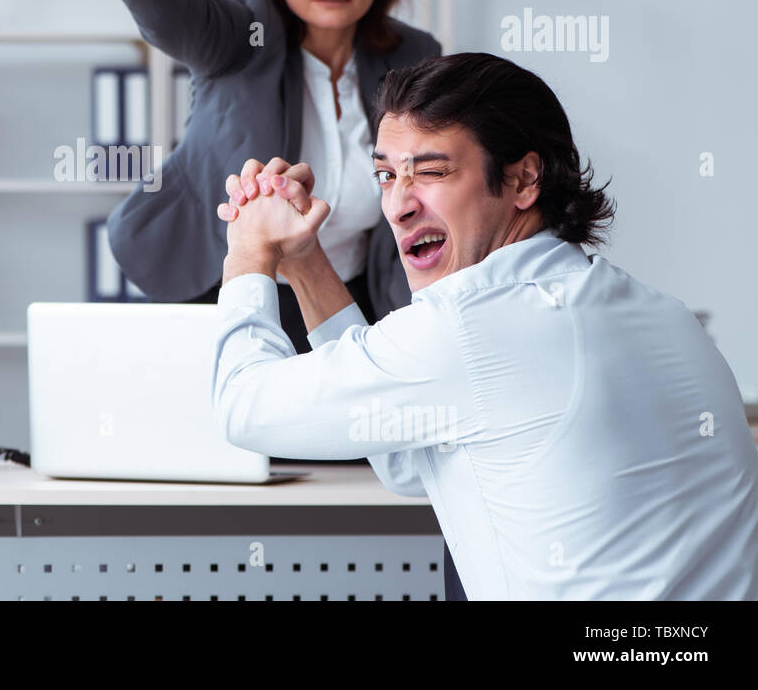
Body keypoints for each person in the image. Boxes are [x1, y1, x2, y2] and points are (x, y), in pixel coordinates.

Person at [52, 0, 465, 596]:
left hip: (348, 304)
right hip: (219, 287)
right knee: (205, 480)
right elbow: (174, 12)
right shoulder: (244, 26)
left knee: (354, 483)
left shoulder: (412, 55)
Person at [211, 52, 758, 599]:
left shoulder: (471, 326)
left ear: (523, 179)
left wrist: (248, 251)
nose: (398, 205)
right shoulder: (662, 313)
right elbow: (406, 463)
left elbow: (243, 408)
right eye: (385, 175)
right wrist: (305, 262)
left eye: (431, 172)